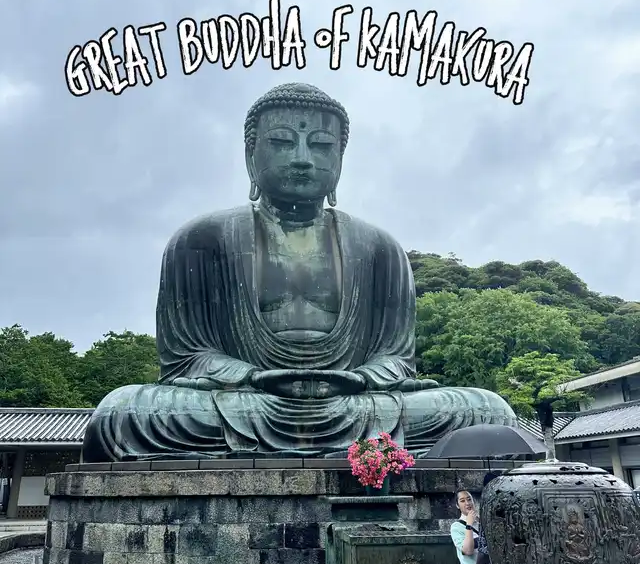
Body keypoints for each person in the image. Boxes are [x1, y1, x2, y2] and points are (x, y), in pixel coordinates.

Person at [82, 82, 518, 462]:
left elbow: (396, 359)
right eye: (283, 142)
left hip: (355, 404)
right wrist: (250, 376)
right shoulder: (202, 239)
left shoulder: (379, 248)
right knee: (122, 413)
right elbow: (186, 357)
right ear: (251, 155)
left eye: (322, 146)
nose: (303, 159)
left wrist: (359, 379)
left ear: (341, 159)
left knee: (487, 411)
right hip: (244, 403)